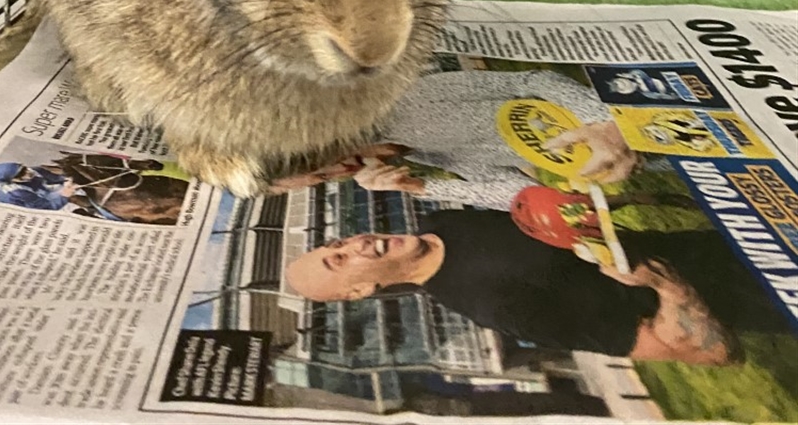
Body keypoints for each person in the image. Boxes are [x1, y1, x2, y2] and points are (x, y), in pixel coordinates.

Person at [284, 209, 793, 366]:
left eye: (339, 240)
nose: (357, 243)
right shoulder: (495, 305)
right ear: (360, 292)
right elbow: (713, 354)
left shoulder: (445, 222)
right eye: (340, 259)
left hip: (753, 235)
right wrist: (670, 287)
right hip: (772, 294)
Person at [274, 67, 638, 207]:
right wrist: (420, 188)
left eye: (321, 166)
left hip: (634, 114)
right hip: (646, 158)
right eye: (324, 179)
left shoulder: (410, 101)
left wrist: (601, 122)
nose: (341, 172)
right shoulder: (423, 158)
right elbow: (521, 196)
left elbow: (531, 81)